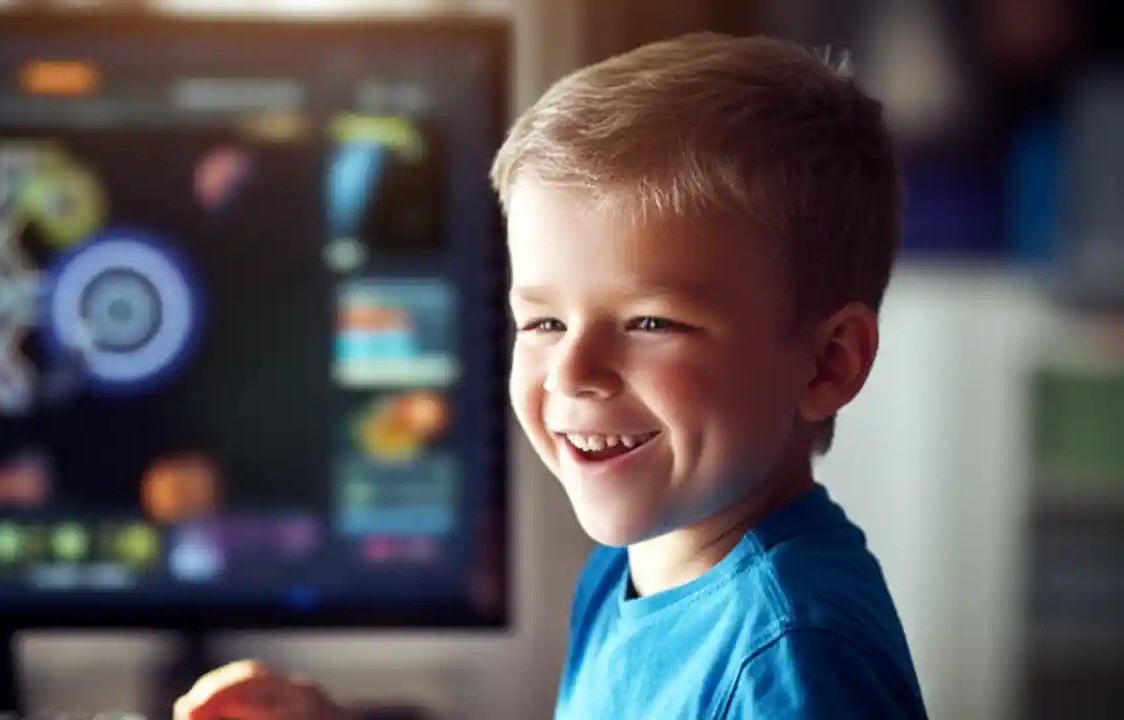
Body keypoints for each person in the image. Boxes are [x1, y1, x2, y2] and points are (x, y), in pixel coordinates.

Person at [175, 31, 929, 719]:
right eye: (543, 323)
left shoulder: (794, 659)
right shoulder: (623, 571)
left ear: (830, 362)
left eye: (650, 322)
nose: (572, 373)